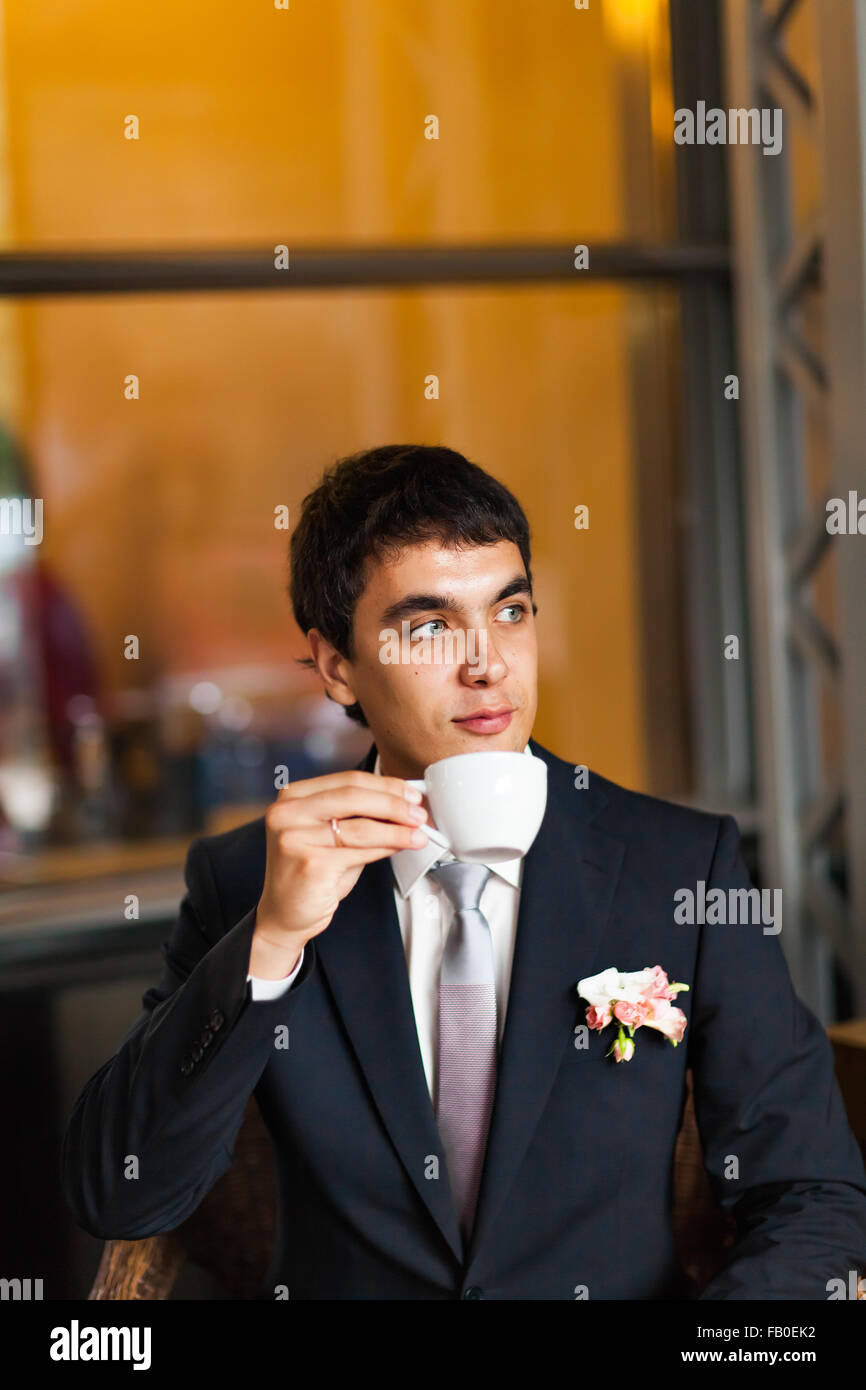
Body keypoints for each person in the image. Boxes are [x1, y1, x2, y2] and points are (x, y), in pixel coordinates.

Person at [61, 443, 866, 1299]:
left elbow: (811, 1194)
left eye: (510, 611)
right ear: (337, 665)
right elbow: (121, 1194)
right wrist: (270, 942)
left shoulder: (679, 864)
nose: (488, 663)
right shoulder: (248, 881)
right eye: (430, 625)